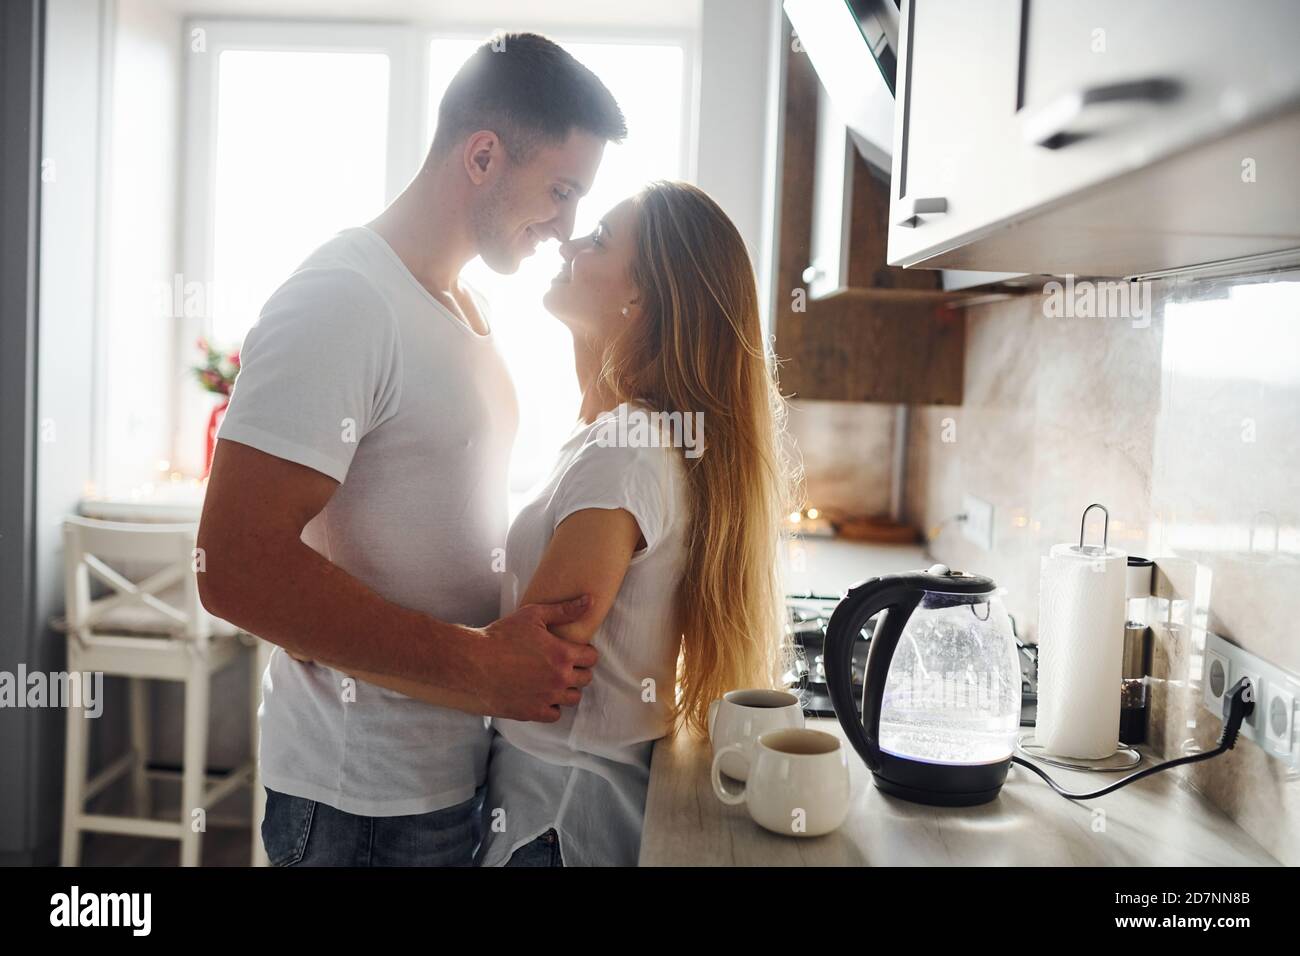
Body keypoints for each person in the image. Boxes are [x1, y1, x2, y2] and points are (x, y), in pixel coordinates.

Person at [196, 33, 626, 867]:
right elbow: (232, 565)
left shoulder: (467, 310)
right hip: (359, 806)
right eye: (561, 190)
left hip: (446, 781)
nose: (568, 227)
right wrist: (480, 665)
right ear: (483, 156)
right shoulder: (345, 298)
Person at [362, 181, 796, 866]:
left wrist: (335, 643)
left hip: (557, 824)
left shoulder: (624, 447)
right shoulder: (628, 437)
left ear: (640, 299)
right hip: (569, 809)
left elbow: (528, 672)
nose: (567, 241)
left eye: (598, 239)